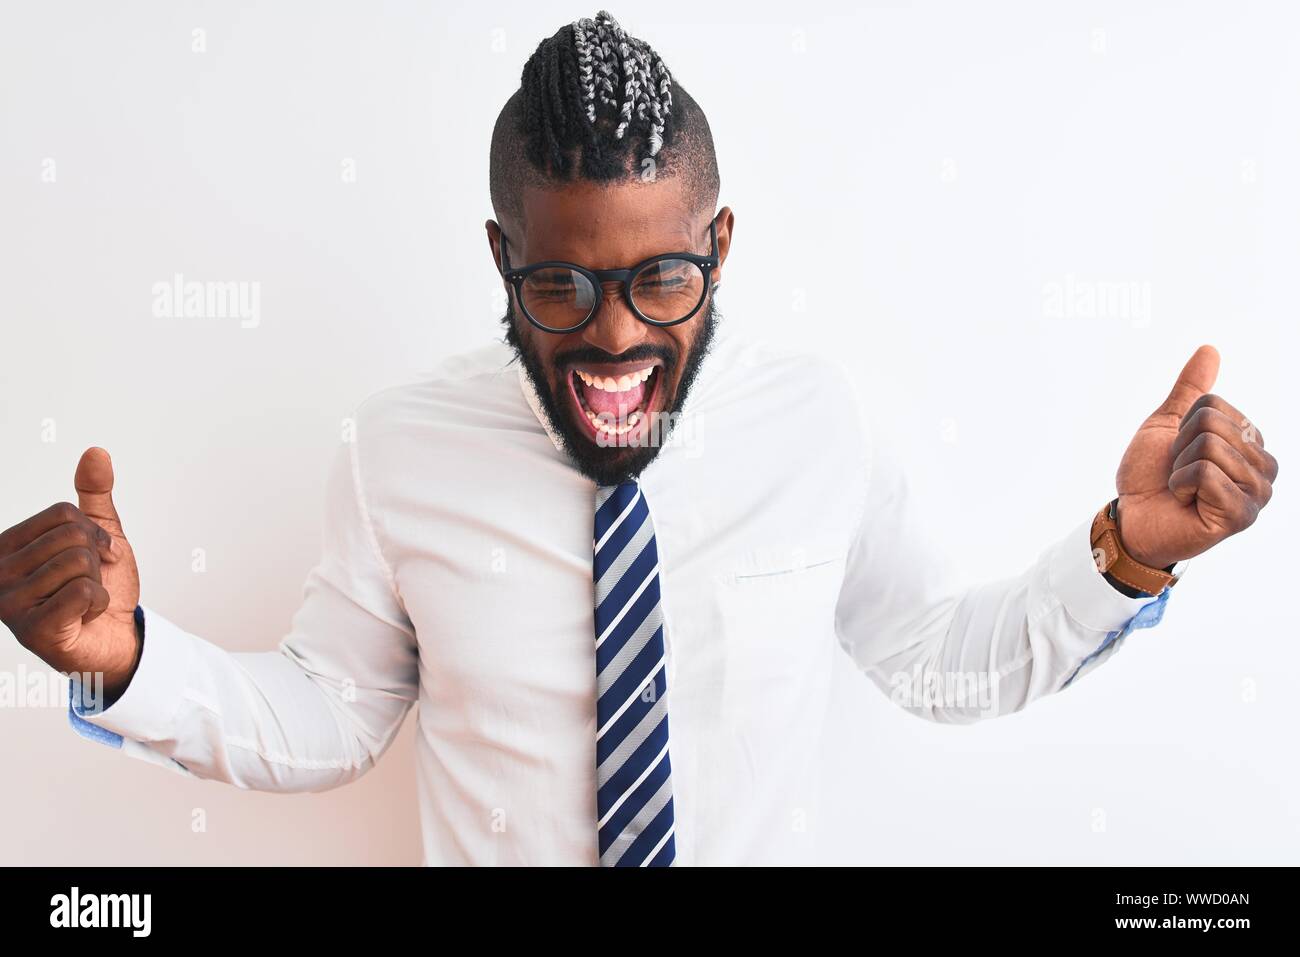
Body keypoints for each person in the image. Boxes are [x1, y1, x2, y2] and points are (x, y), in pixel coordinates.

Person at [0, 10, 1278, 866]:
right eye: (558, 288)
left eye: (660, 279)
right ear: (501, 260)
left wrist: (1125, 555)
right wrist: (128, 661)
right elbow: (329, 715)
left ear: (720, 248)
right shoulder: (399, 451)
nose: (613, 340)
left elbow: (937, 661)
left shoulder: (814, 426)